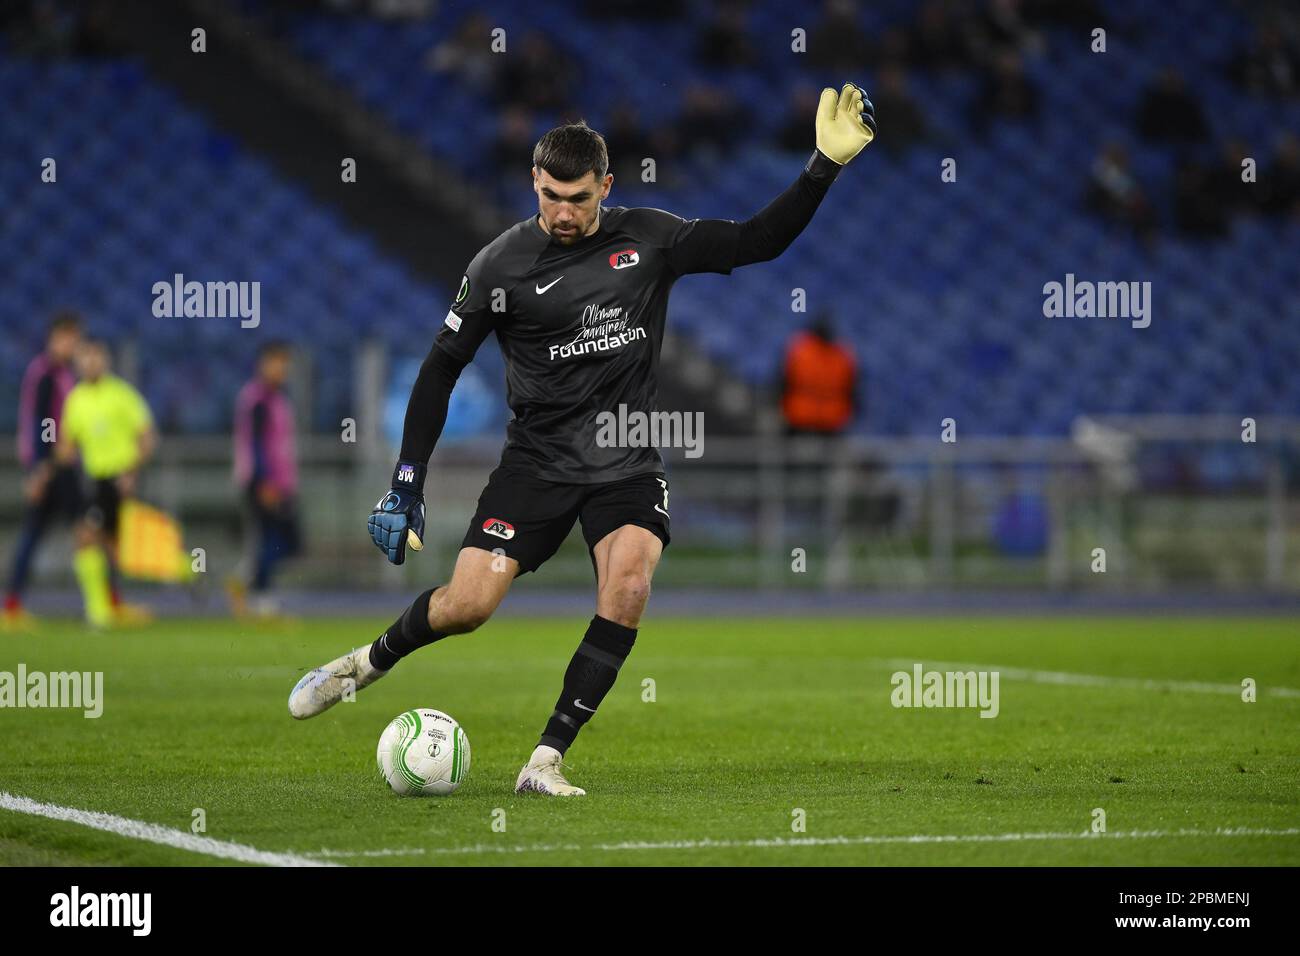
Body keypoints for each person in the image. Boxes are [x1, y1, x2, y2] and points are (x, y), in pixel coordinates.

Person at [288, 85, 877, 796]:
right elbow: (441, 366)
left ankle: (546, 760)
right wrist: (406, 481)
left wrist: (823, 167)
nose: (563, 213)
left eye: (578, 197)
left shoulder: (652, 239)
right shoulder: (499, 267)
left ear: (606, 185)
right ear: (533, 182)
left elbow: (756, 241)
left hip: (626, 454)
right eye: (550, 196)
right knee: (468, 606)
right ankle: (365, 663)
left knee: (628, 585)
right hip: (536, 461)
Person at [56, 339, 156, 627]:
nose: (91, 363)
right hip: (95, 481)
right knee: (106, 544)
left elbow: (147, 437)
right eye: (85, 357)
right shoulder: (75, 399)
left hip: (120, 478)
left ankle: (100, 611)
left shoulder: (122, 395)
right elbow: (68, 443)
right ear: (78, 362)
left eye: (96, 357)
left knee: (93, 540)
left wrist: (131, 473)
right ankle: (105, 609)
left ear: (106, 360)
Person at [3, 311, 83, 627]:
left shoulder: (63, 373)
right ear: (55, 338)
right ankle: (106, 601)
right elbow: (44, 422)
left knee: (38, 532)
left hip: (57, 464)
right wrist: (42, 465)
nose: (73, 344)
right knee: (87, 529)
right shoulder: (46, 373)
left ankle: (11, 603)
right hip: (54, 466)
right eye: (69, 338)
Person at [229, 341, 301, 618]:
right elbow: (255, 445)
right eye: (276, 362)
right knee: (272, 540)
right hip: (263, 483)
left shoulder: (278, 399)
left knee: (286, 542)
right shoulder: (257, 399)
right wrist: (264, 482)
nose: (281, 368)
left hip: (280, 484)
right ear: (263, 364)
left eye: (285, 362)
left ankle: (243, 579)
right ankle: (262, 599)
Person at [780, 313, 857, 437]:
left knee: (793, 453)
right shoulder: (843, 355)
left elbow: (783, 383)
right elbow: (852, 391)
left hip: (800, 415)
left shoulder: (799, 350)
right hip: (831, 417)